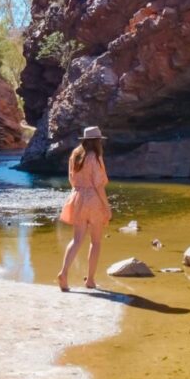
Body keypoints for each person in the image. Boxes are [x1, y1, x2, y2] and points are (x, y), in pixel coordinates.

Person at [56, 125, 112, 291]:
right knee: (96, 242)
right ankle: (90, 280)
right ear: (97, 141)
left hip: (78, 198)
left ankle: (64, 273)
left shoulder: (75, 154)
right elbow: (99, 185)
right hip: (94, 200)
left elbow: (71, 180)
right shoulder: (95, 157)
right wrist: (107, 207)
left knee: (77, 240)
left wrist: (80, 190)